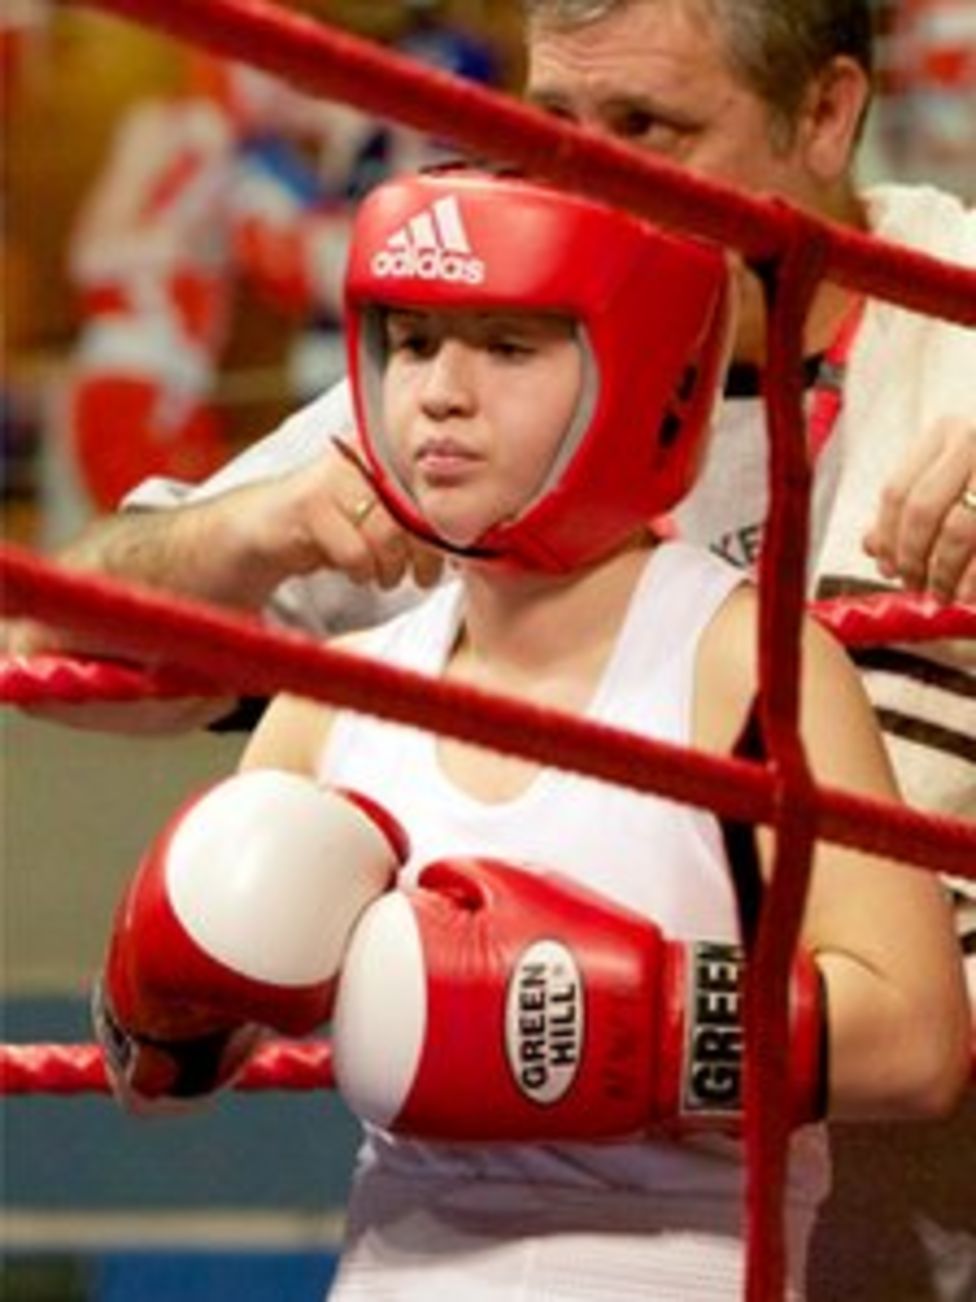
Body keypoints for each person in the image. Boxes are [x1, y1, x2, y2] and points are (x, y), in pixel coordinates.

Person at [94, 168, 969, 1302]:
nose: (442, 396)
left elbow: (916, 1042)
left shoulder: (741, 666)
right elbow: (158, 1074)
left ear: (641, 367)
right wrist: (164, 1001)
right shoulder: (337, 697)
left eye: (508, 348)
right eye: (412, 345)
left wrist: (635, 1029)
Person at [5, 0, 973, 818]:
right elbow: (51, 643)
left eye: (644, 128)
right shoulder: (465, 372)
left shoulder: (955, 318)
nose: (590, 189)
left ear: (824, 114)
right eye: (552, 126)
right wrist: (259, 529)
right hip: (569, 1008)